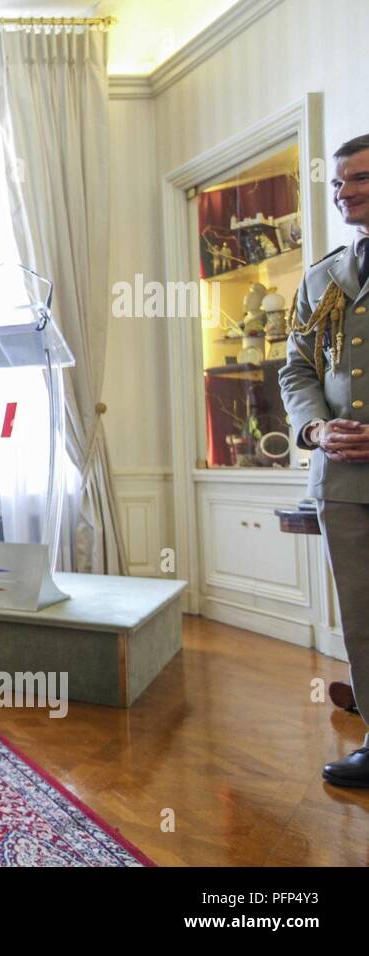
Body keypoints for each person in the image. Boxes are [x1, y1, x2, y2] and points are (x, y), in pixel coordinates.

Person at [279, 132, 369, 788]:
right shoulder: (322, 276)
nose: (345, 192)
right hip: (343, 478)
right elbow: (298, 370)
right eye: (338, 183)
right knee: (362, 611)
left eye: (359, 178)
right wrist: (312, 428)